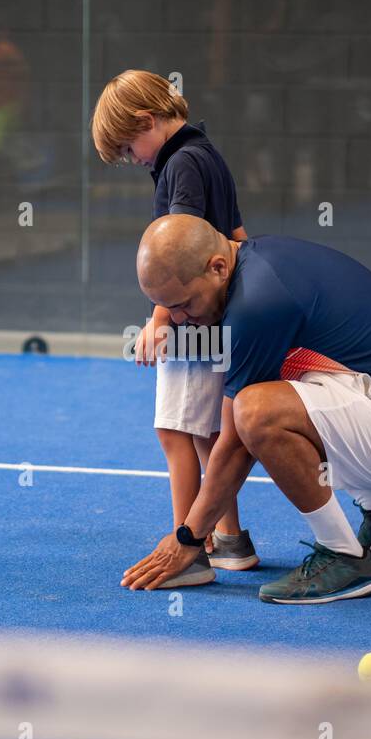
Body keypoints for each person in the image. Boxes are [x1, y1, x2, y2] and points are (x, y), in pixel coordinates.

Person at [121, 216, 371, 604]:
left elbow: (234, 446)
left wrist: (188, 537)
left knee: (257, 411)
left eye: (183, 304)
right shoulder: (257, 260)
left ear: (217, 267)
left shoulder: (256, 305)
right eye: (165, 308)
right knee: (279, 388)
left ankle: (343, 558)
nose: (178, 320)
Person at [91, 70, 257, 584]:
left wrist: (159, 319)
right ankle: (230, 539)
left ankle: (192, 552)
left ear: (148, 120)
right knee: (208, 433)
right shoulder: (204, 151)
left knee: (174, 432)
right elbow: (235, 235)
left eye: (127, 147)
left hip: (192, 320)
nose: (131, 159)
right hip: (216, 310)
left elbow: (178, 250)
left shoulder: (180, 164)